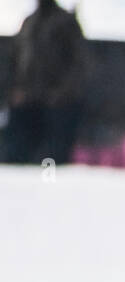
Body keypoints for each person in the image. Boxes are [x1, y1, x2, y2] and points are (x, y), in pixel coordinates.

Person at [3, 0, 89, 165]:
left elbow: (78, 64)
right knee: (15, 152)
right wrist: (16, 91)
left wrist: (60, 93)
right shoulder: (30, 22)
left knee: (50, 157)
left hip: (57, 102)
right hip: (27, 100)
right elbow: (16, 61)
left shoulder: (65, 23)